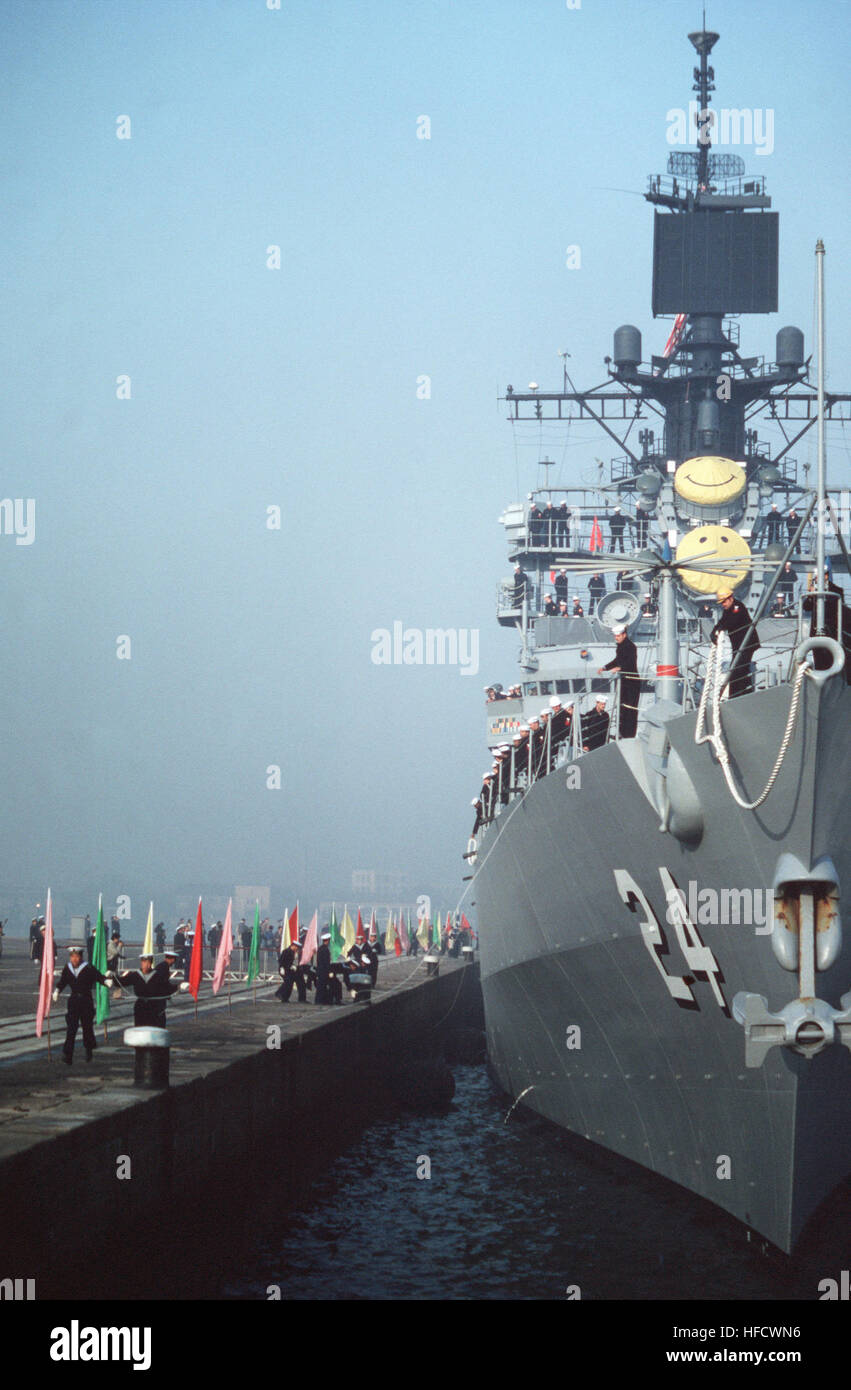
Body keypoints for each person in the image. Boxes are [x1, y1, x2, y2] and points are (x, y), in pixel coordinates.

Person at [53, 945, 112, 1065]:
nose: (74, 959)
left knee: (87, 1028)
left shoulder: (88, 967)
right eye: (72, 957)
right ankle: (68, 1055)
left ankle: (89, 1051)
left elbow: (98, 977)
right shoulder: (68, 968)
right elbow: (63, 981)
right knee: (71, 1029)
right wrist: (57, 990)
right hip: (74, 1001)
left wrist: (106, 981)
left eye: (77, 956)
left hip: (86, 1000)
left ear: (81, 957)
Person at [802, 564, 851, 683]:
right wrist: (810, 596)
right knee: (818, 659)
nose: (818, 578)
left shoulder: (837, 590)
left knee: (830, 659)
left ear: (826, 576)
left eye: (821, 575)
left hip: (831, 631)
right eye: (816, 576)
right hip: (816, 631)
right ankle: (820, 682)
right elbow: (806, 607)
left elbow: (838, 609)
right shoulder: (812, 589)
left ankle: (832, 681)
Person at [710, 587, 760, 697]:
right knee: (739, 668)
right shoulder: (729, 609)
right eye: (721, 602)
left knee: (738, 669)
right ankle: (742, 693)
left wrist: (720, 629)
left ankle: (737, 695)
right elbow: (723, 621)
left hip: (747, 644)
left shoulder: (738, 607)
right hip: (738, 644)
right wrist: (714, 630)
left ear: (730, 599)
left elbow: (733, 621)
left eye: (724, 601)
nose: (723, 604)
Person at [115, 951, 186, 1027]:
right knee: (140, 1029)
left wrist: (178, 986)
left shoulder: (157, 975)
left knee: (156, 1027)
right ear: (141, 962)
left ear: (151, 963)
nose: (146, 965)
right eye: (144, 962)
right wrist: (112, 977)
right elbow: (122, 982)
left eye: (148, 962)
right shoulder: (136, 975)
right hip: (141, 1007)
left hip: (154, 1007)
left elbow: (166, 988)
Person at [599, 624, 640, 737]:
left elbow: (630, 663)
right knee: (622, 707)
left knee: (630, 709)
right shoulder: (621, 646)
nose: (616, 638)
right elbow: (618, 660)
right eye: (615, 636)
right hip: (625, 681)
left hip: (632, 681)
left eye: (618, 636)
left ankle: (629, 734)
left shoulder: (631, 646)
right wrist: (605, 667)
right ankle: (622, 732)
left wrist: (620, 668)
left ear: (624, 635)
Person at [315, 931, 332, 1004]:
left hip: (320, 970)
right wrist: (329, 971)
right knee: (323, 986)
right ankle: (322, 1000)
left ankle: (319, 1000)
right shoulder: (325, 950)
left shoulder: (320, 948)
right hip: (324, 970)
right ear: (328, 940)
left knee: (320, 986)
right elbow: (326, 962)